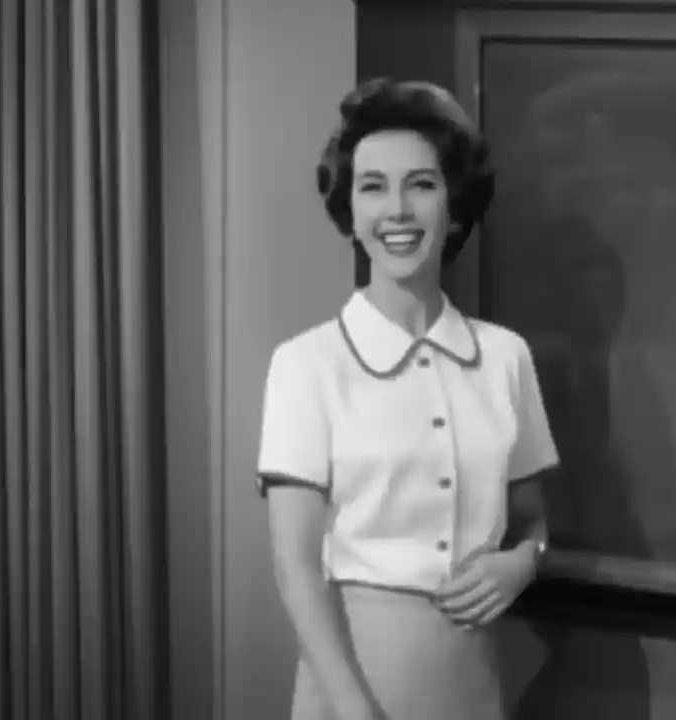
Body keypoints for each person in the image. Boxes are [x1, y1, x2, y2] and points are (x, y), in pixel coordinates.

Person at [255, 77, 560, 720]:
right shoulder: (307, 365)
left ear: (454, 207)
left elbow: (531, 522)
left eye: (420, 184)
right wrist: (353, 709)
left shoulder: (506, 358)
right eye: (373, 187)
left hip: (474, 684)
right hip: (353, 686)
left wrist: (521, 566)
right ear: (351, 211)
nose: (397, 210)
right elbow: (295, 566)